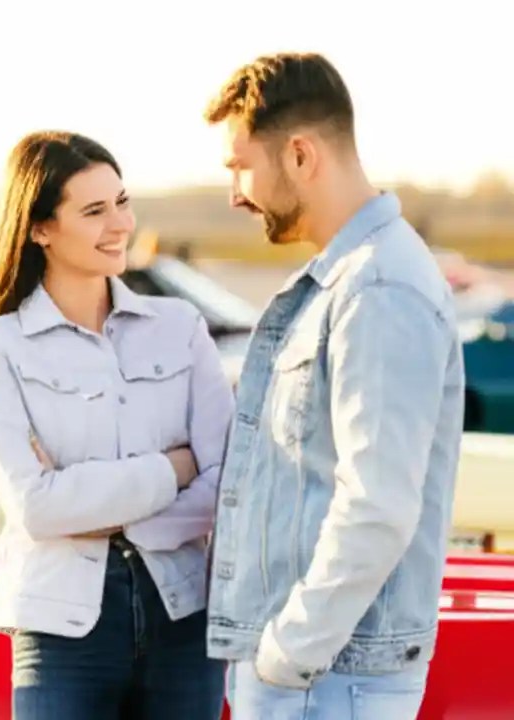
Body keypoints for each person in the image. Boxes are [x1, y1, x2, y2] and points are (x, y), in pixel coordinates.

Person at [201, 52, 465, 717]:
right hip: (319, 676)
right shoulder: (347, 278)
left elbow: (377, 504)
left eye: (240, 166)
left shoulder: (378, 286)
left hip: (328, 679)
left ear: (298, 155)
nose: (235, 193)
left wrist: (289, 653)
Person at [0, 130, 234, 718]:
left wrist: (106, 512)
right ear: (39, 228)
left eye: (122, 202)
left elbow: (229, 481)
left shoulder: (179, 325)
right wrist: (173, 467)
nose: (121, 224)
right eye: (94, 211)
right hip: (59, 628)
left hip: (183, 618)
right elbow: (36, 508)